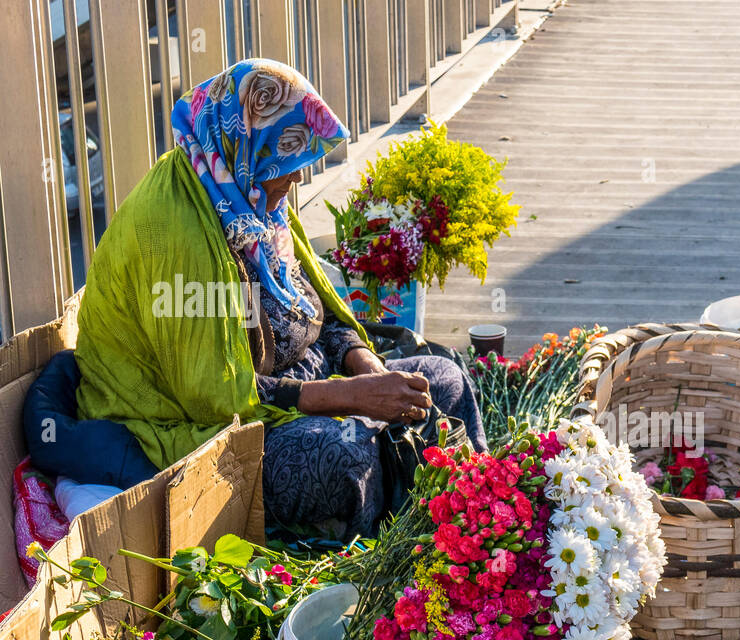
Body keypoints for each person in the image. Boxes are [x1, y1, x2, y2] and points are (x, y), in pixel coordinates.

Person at [72, 59, 486, 540]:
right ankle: (438, 546)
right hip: (195, 428)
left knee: (445, 383)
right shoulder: (176, 232)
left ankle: (481, 513)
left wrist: (364, 366)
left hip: (301, 381)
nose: (293, 182)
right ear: (249, 144)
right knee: (349, 455)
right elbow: (216, 398)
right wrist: (348, 398)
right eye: (285, 166)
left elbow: (317, 305)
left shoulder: (243, 192)